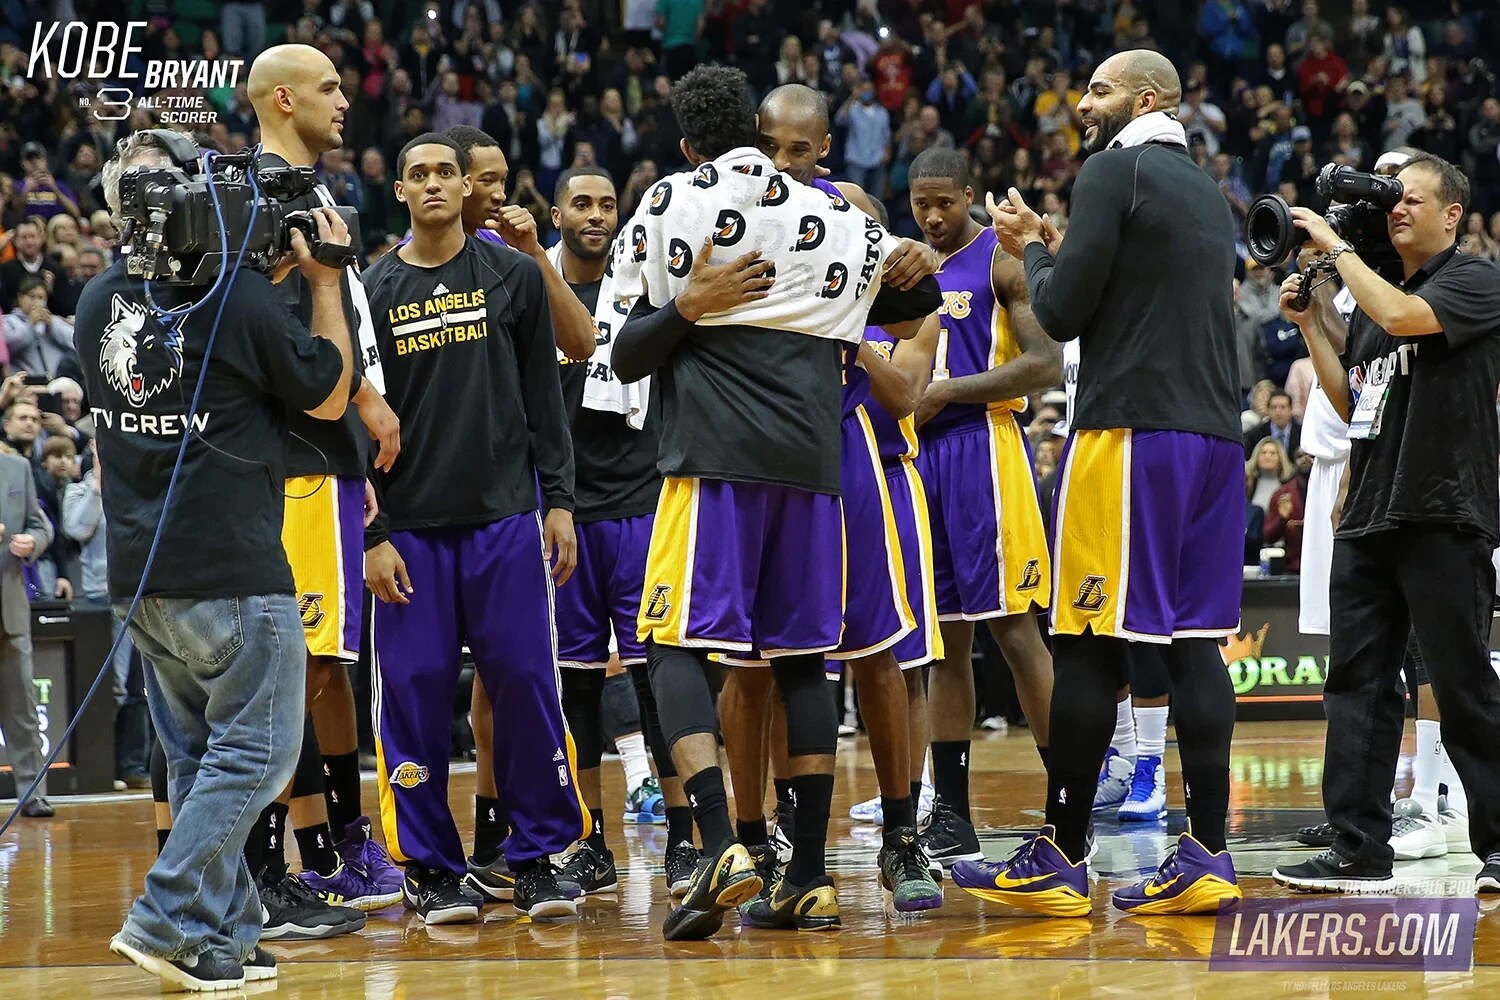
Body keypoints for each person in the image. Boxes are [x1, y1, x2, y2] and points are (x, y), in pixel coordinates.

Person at [609, 65, 941, 940]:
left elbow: (630, 354)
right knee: (801, 663)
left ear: (687, 146)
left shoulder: (673, 200)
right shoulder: (841, 215)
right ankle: (805, 874)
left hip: (715, 462)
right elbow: (919, 306)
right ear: (760, 137)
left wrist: (686, 306)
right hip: (814, 469)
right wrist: (911, 257)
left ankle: (720, 838)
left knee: (670, 639)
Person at [958, 49, 1244, 918]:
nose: (1084, 103)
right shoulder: (1205, 192)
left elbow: (1060, 313)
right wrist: (1058, 241)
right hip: (1214, 442)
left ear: (1145, 97)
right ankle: (1208, 854)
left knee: (1083, 639)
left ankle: (1062, 853)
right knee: (1195, 644)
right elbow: (1132, 287)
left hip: (1130, 437)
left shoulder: (1109, 171)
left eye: (1100, 89)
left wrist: (1026, 257)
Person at [81, 133, 356, 991]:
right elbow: (331, 389)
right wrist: (322, 280)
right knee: (259, 760)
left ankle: (220, 942)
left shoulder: (95, 301)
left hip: (143, 578)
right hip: (234, 573)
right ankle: (162, 917)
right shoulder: (237, 303)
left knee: (203, 763)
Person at [722, 83, 943, 914]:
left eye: (801, 151)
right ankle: (754, 839)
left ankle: (900, 837)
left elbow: (915, 302)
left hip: (840, 444)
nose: (785, 164)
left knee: (877, 650)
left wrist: (918, 258)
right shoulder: (715, 207)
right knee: (751, 666)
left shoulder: (847, 212)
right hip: (746, 448)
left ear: (824, 153)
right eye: (771, 147)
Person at [362, 132, 586, 924]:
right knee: (415, 696)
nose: (431, 185)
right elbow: (356, 427)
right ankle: (429, 866)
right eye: (416, 173)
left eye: (444, 173)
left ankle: (536, 858)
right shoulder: (374, 288)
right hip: (410, 530)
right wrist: (372, 535)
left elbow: (544, 401)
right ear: (400, 191)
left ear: (466, 187)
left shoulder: (515, 276)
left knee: (525, 685)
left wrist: (557, 501)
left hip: (504, 521)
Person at [1271, 153, 1500, 894]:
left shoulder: (1474, 281)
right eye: (1392, 201)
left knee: (1462, 685)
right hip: (1370, 514)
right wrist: (1314, 324)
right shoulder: (1381, 299)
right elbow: (1349, 402)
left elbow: (1405, 320)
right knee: (1358, 687)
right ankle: (1358, 844)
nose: (1395, 208)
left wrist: (1336, 254)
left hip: (1441, 512)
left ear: (1452, 215)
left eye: (1411, 199)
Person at [245, 43, 406, 920]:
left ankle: (345, 846)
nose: (346, 101)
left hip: (328, 460)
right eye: (329, 87)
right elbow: (287, 347)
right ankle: (272, 872)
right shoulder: (262, 195)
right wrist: (352, 408)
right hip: (293, 463)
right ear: (281, 99)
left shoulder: (312, 193)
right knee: (293, 668)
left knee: (331, 666)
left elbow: (333, 328)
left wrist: (365, 408)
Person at [904, 144, 1061, 868]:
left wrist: (947, 391)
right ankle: (953, 814)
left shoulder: (998, 260)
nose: (933, 215)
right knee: (945, 642)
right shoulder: (908, 267)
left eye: (945, 201)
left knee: (1013, 629)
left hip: (986, 450)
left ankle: (1068, 802)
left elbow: (1043, 364)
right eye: (921, 202)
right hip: (919, 459)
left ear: (969, 194)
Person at [0, 442, 54, 819]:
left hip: (10, 607)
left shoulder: (17, 468)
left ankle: (32, 792)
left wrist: (34, 540)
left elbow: (40, 523)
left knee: (23, 707)